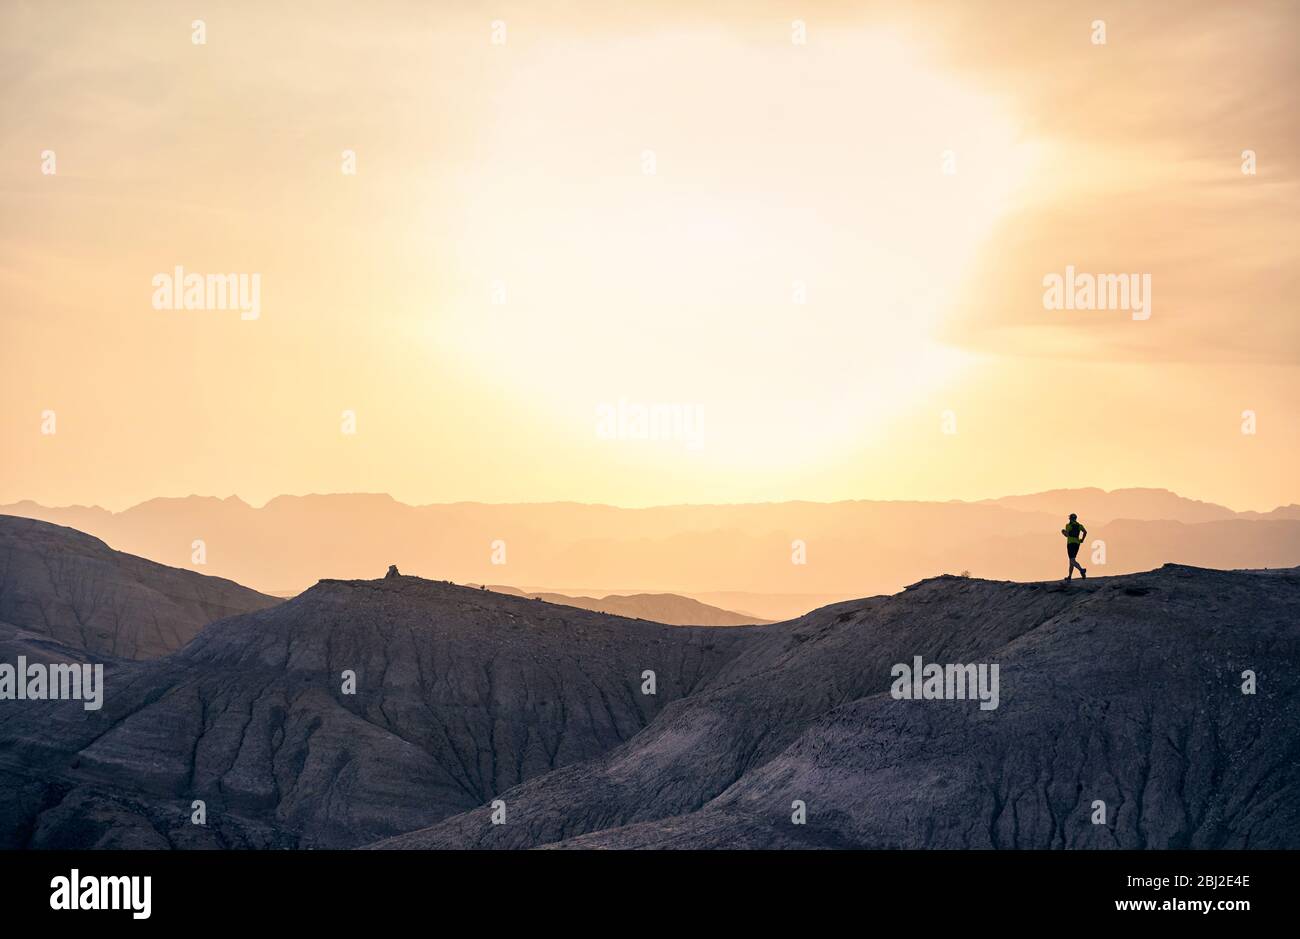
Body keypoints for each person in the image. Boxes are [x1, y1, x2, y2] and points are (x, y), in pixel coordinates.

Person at [1061, 514, 1087, 580]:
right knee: (1072, 560)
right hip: (1077, 543)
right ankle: (1069, 576)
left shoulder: (1068, 525)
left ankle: (1081, 570)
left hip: (1070, 544)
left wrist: (1063, 532)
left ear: (1070, 519)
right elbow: (1085, 532)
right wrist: (1082, 540)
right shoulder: (1079, 525)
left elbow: (1067, 535)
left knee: (1072, 560)